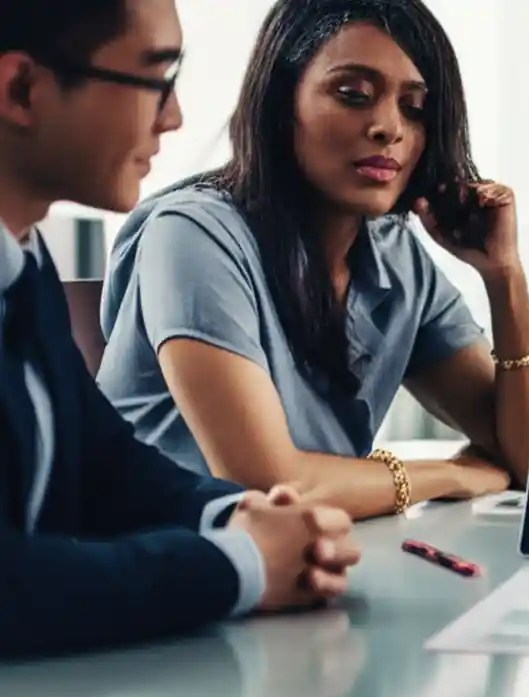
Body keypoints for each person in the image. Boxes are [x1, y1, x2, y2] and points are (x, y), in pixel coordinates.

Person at [97, 0, 529, 520]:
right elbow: (269, 485)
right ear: (279, 102)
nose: (388, 127)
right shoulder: (192, 235)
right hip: (159, 571)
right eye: (354, 95)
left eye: (415, 108)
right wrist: (451, 475)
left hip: (302, 571)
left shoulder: (393, 256)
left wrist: (505, 276)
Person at [0, 0, 360, 657]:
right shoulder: (189, 230)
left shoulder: (20, 256)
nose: (174, 117)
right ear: (21, 90)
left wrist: (232, 514)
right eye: (155, 80)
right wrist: (241, 566)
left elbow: (100, 459)